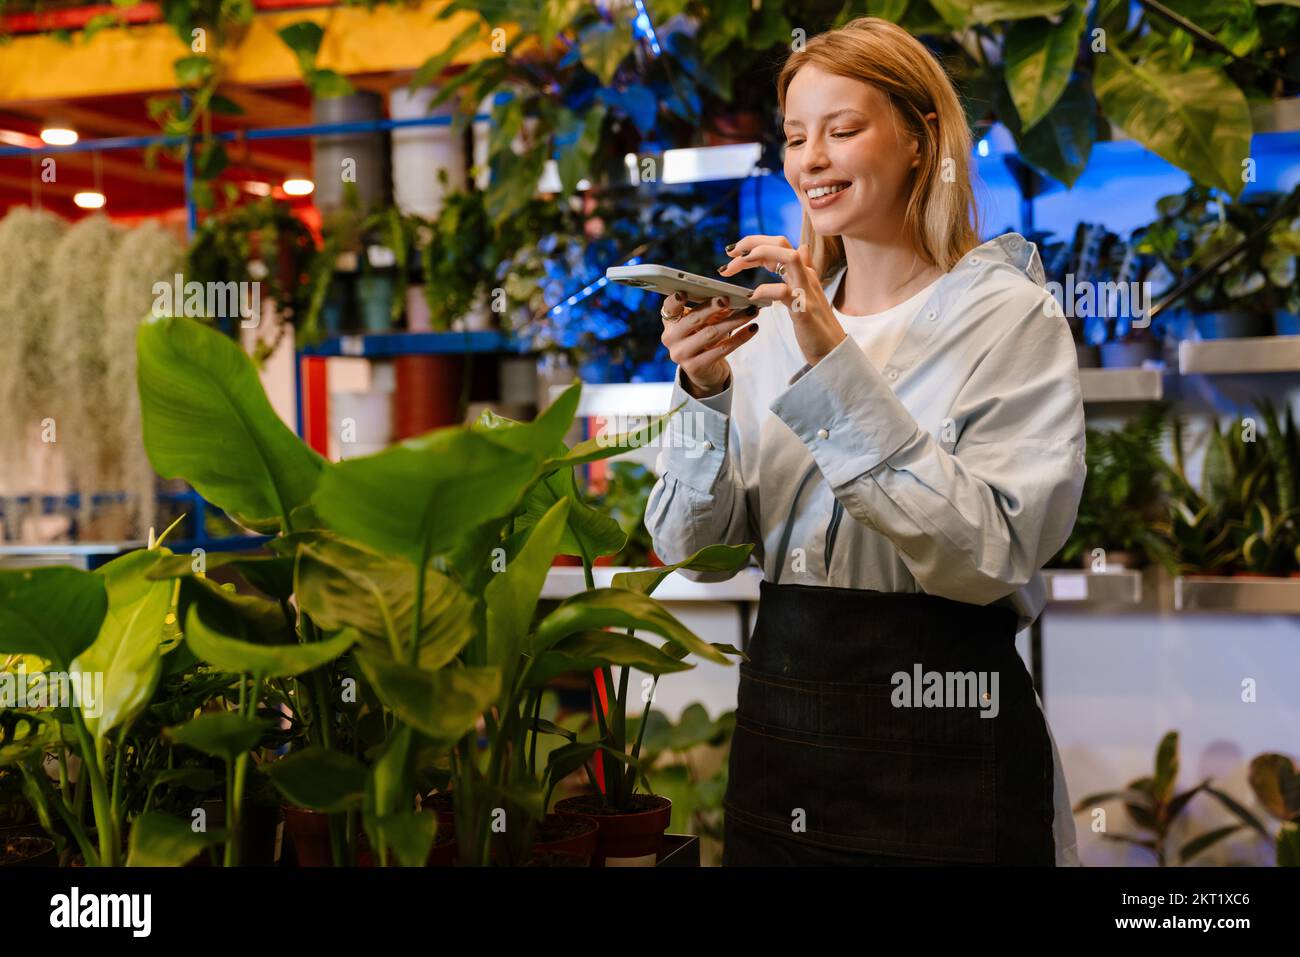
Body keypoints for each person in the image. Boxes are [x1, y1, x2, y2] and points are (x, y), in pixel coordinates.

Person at [645, 16, 1086, 866]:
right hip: (786, 728)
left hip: (950, 726)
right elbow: (690, 553)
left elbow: (986, 555)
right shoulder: (769, 328)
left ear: (921, 140)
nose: (812, 157)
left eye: (843, 130)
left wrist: (833, 358)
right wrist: (702, 393)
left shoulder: (1008, 316)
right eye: (795, 136)